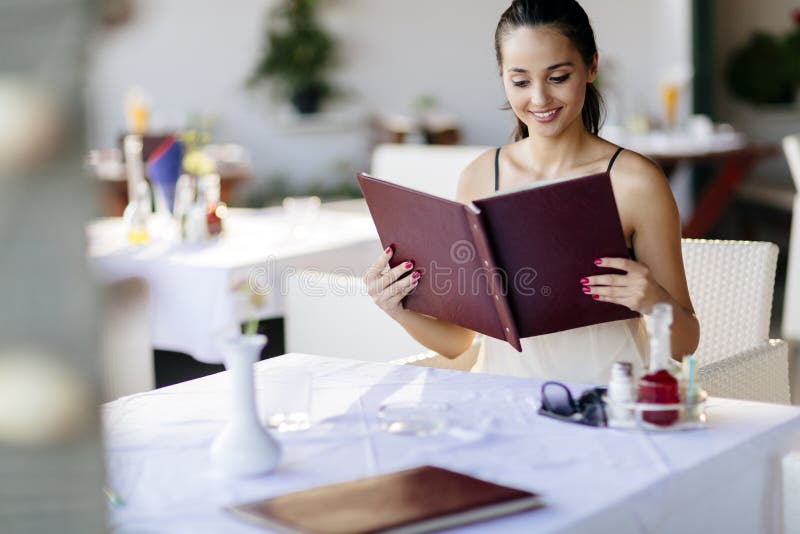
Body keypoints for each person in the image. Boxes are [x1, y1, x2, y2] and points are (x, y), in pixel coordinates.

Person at [363, 0, 699, 384]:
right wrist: (397, 308)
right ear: (503, 77)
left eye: (557, 77)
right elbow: (458, 341)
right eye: (520, 81)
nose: (539, 99)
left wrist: (652, 300)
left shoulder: (634, 182)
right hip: (504, 400)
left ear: (591, 67)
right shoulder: (479, 177)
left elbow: (685, 344)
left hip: (609, 403)